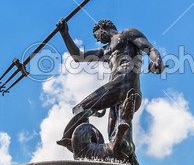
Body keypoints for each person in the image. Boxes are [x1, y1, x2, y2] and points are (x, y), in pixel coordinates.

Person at [55, 18, 164, 152]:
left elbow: (150, 48)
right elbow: (78, 57)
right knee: (116, 138)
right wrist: (65, 34)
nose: (98, 40)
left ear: (102, 28)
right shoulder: (105, 50)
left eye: (98, 35)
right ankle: (126, 159)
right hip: (117, 90)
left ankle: (79, 142)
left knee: (81, 107)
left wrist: (157, 60)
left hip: (126, 82)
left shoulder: (127, 34)